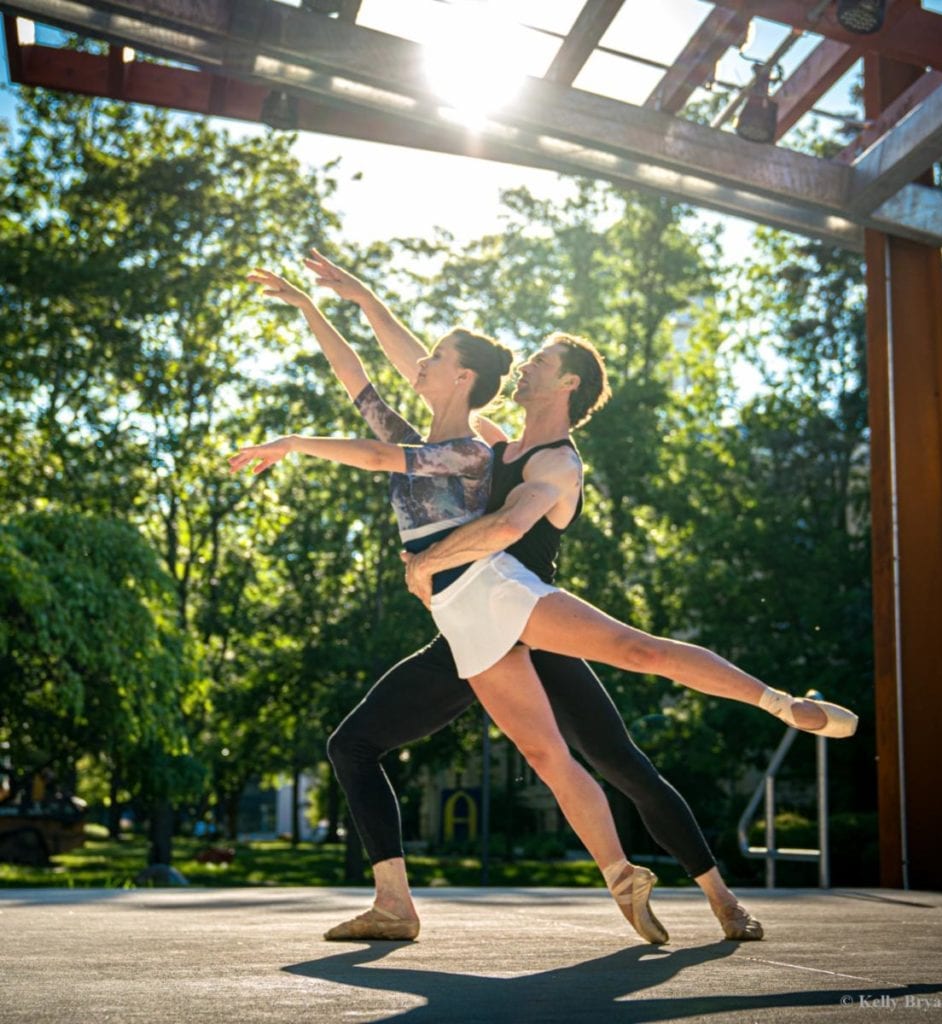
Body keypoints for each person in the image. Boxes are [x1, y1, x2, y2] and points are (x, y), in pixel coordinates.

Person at [231, 266, 669, 946]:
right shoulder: (428, 439)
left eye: (435, 359)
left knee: (557, 749)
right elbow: (356, 377)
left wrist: (292, 444)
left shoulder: (468, 454)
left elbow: (381, 457)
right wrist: (314, 305)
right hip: (464, 625)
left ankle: (403, 904)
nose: (420, 364)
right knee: (541, 753)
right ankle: (614, 875)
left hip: (488, 615)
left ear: (461, 379)